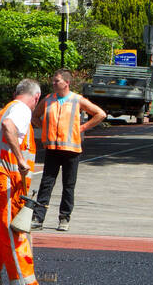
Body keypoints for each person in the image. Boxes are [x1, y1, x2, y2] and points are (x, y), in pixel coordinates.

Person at [0, 79, 61, 285]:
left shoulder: (4, 110)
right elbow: (10, 127)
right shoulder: (21, 110)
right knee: (15, 238)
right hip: (4, 183)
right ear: (36, 98)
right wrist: (21, 160)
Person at [30, 69, 106, 232]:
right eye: (53, 80)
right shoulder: (48, 99)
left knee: (68, 185)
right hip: (52, 148)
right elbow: (35, 116)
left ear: (67, 83)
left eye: (57, 81)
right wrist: (44, 127)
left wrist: (83, 127)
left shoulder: (76, 100)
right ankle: (38, 217)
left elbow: (100, 114)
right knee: (46, 184)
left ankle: (64, 218)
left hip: (71, 149)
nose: (53, 83)